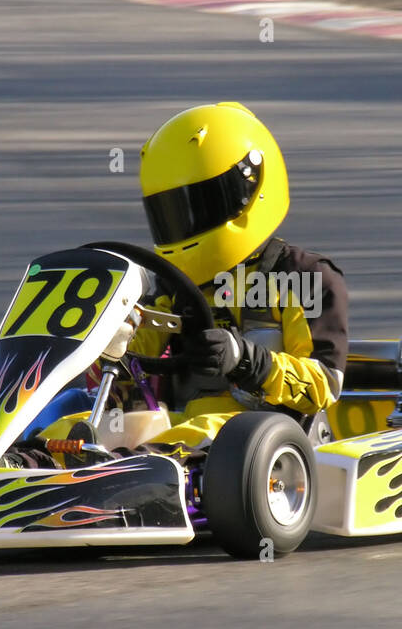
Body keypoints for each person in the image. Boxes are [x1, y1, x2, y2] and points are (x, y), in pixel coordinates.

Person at [111, 101, 349, 452]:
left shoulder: (302, 276)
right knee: (74, 420)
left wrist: (247, 360)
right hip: (181, 428)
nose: (186, 225)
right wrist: (107, 338)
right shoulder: (172, 284)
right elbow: (136, 352)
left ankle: (129, 474)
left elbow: (323, 385)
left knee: (198, 431)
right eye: (173, 212)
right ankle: (29, 463)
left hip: (263, 440)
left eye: (200, 207)